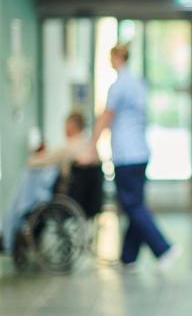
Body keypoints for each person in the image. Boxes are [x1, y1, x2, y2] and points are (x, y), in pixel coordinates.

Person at [92, 43, 180, 272]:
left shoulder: (118, 86)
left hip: (126, 155)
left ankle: (164, 248)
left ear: (118, 57)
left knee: (132, 205)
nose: (109, 62)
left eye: (110, 57)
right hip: (140, 153)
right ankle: (128, 258)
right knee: (134, 205)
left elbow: (105, 118)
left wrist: (91, 145)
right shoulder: (138, 83)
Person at [2, 112, 98, 253]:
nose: (64, 128)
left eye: (65, 124)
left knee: (27, 182)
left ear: (72, 125)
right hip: (80, 198)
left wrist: (35, 156)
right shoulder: (87, 144)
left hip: (65, 196)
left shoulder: (73, 146)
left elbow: (38, 160)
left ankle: (9, 229)